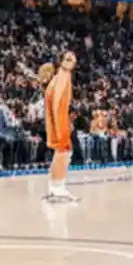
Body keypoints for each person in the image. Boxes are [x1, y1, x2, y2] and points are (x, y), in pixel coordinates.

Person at [41, 51, 78, 203]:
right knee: (64, 151)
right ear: (61, 61)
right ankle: (58, 187)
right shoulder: (63, 76)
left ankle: (55, 187)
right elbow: (57, 103)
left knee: (61, 152)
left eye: (73, 59)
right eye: (67, 59)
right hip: (59, 118)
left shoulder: (58, 77)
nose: (71, 61)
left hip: (57, 118)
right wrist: (61, 124)